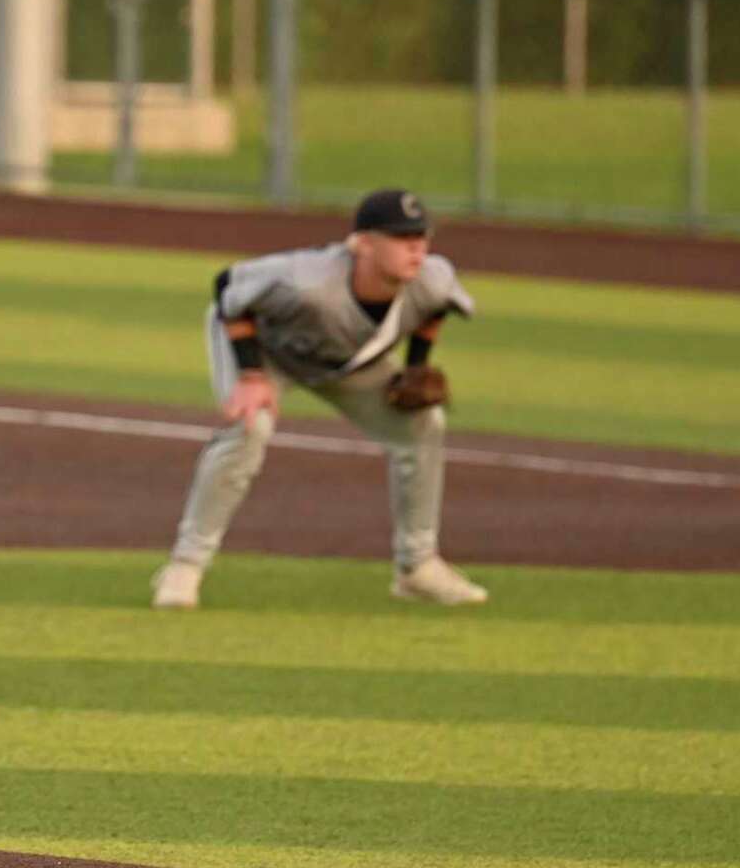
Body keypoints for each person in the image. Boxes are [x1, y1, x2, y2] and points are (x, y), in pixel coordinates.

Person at [152, 189, 489, 610]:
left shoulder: (433, 278)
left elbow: (436, 309)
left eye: (423, 237)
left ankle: (417, 567)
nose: (417, 249)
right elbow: (227, 290)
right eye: (403, 238)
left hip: (344, 361)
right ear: (363, 243)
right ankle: (186, 565)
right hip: (268, 349)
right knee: (249, 427)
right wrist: (251, 375)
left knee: (423, 424)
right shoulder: (306, 280)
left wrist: (417, 366)